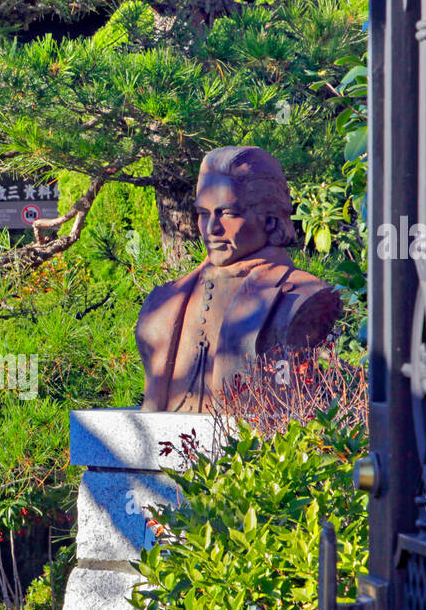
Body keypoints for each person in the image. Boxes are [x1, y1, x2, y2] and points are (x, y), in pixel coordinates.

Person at [136, 146, 342, 412]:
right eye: (203, 213)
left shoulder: (302, 294)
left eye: (228, 213)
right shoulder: (163, 301)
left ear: (269, 218)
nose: (212, 229)